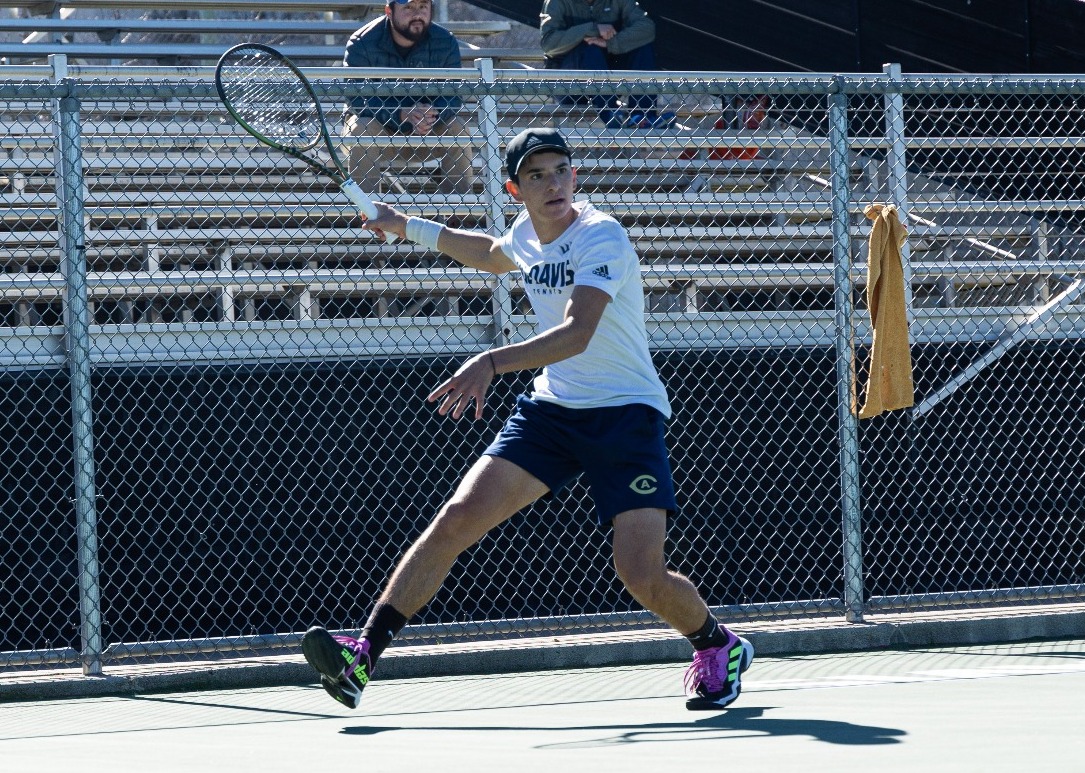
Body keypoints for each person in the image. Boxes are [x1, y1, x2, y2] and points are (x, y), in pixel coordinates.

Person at [301, 127, 753, 712]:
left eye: (560, 170)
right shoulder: (526, 232)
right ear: (516, 188)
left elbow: (577, 332)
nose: (552, 182)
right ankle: (363, 658)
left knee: (640, 574)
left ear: (575, 176)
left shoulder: (601, 237)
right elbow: (492, 254)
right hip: (552, 412)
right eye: (536, 175)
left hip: (625, 417)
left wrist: (490, 361)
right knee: (457, 519)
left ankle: (717, 645)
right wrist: (403, 224)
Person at [343, 0, 476, 194]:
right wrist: (401, 114)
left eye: (423, 6)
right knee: (360, 127)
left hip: (426, 131)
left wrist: (433, 113)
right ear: (389, 11)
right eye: (408, 7)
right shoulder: (362, 41)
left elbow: (454, 94)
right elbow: (356, 99)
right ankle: (368, 216)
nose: (417, 14)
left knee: (458, 128)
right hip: (380, 131)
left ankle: (459, 214)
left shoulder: (445, 40)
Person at [540, 0, 675, 130]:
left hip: (606, 80)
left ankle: (642, 117)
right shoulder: (556, 1)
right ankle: (611, 115)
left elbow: (646, 27)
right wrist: (592, 29)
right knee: (590, 48)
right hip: (569, 84)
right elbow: (548, 43)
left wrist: (611, 44)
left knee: (642, 48)